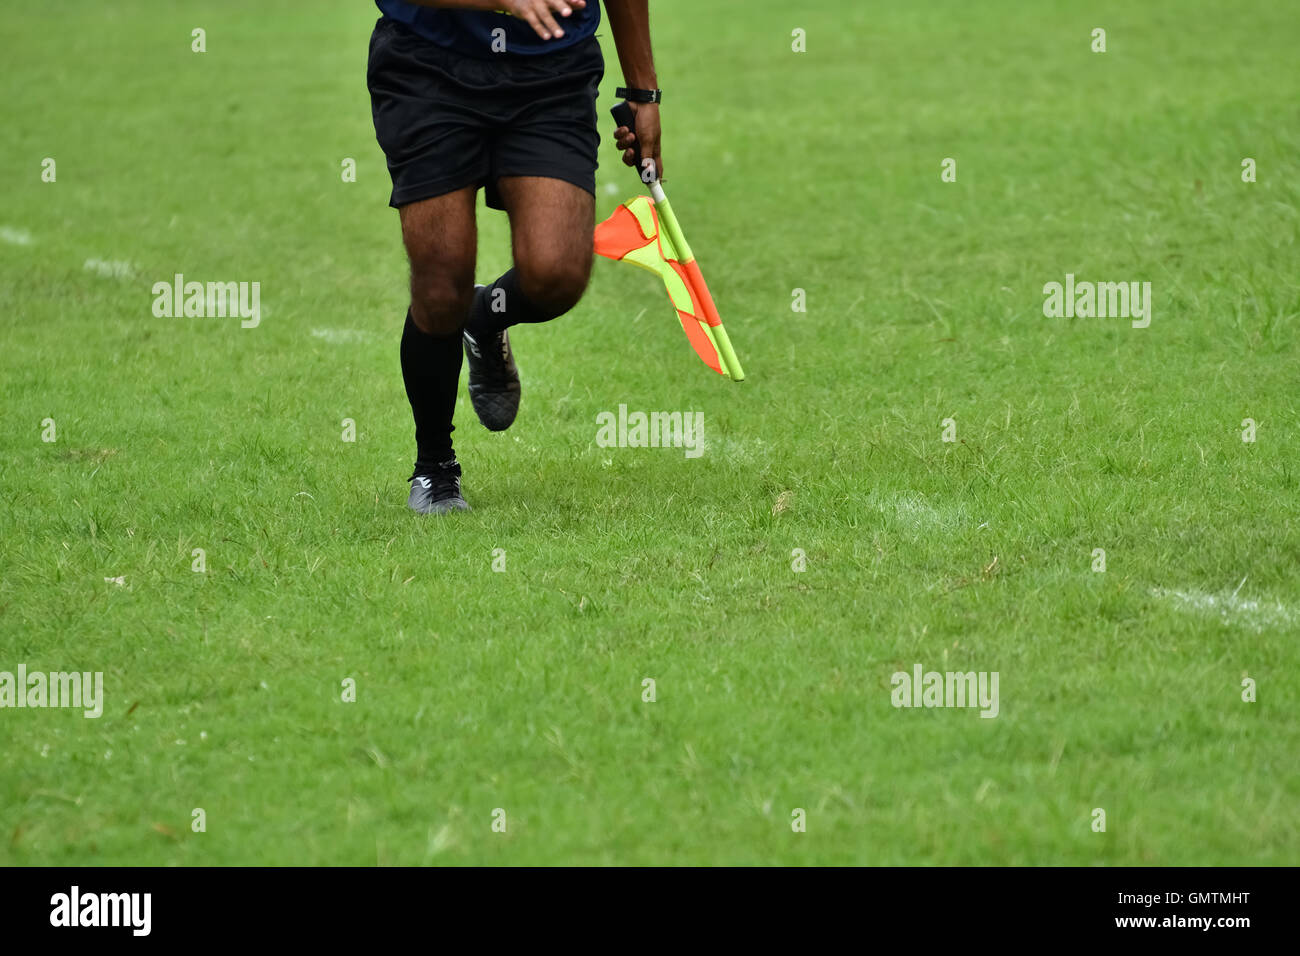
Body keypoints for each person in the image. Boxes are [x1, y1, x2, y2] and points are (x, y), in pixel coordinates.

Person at [367, 0, 664, 513]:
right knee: (441, 286)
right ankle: (435, 465)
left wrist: (643, 91)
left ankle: (482, 318)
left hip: (551, 70)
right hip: (428, 67)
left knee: (557, 274)